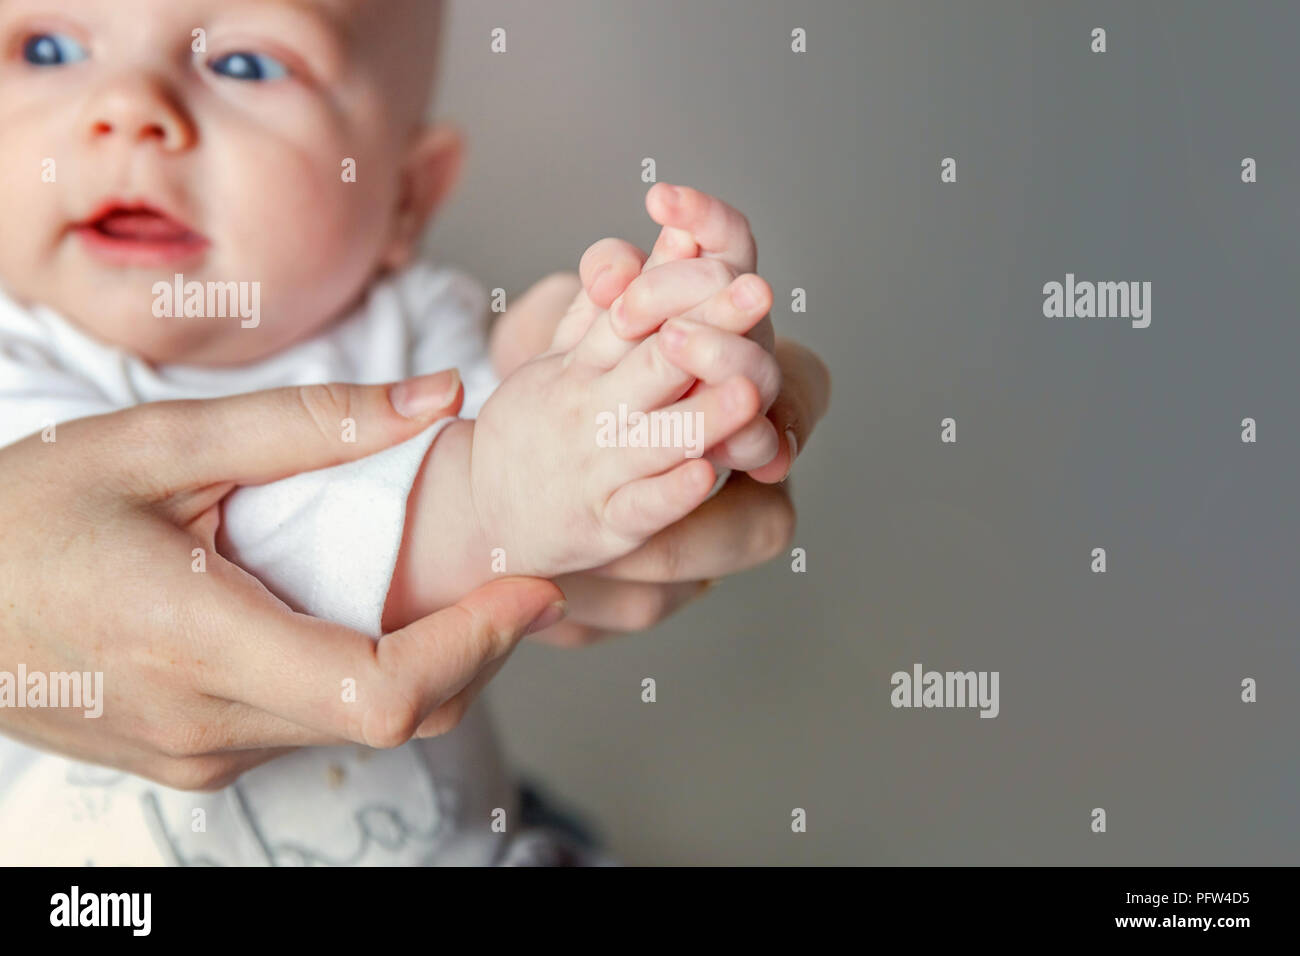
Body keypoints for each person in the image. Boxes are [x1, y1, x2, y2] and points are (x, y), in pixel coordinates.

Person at [0, 0, 829, 864]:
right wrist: (502, 496)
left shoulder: (413, 329)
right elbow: (214, 553)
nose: (130, 107)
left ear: (403, 195)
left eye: (243, 64)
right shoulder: (14, 359)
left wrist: (632, 364)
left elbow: (529, 428)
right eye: (49, 48)